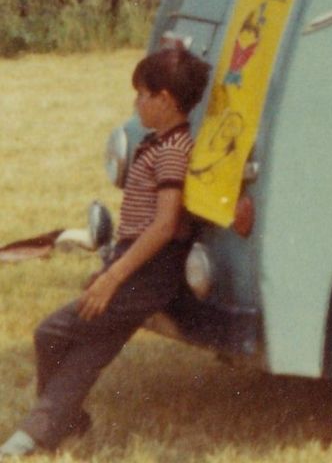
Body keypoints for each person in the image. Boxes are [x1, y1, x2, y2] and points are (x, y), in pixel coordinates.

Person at [2, 45, 208, 457]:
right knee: (86, 351)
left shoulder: (172, 151)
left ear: (164, 99)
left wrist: (114, 277)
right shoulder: (160, 142)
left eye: (141, 95)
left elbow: (165, 225)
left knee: (55, 332)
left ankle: (42, 430)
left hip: (146, 272)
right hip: (136, 267)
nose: (136, 103)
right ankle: (55, 426)